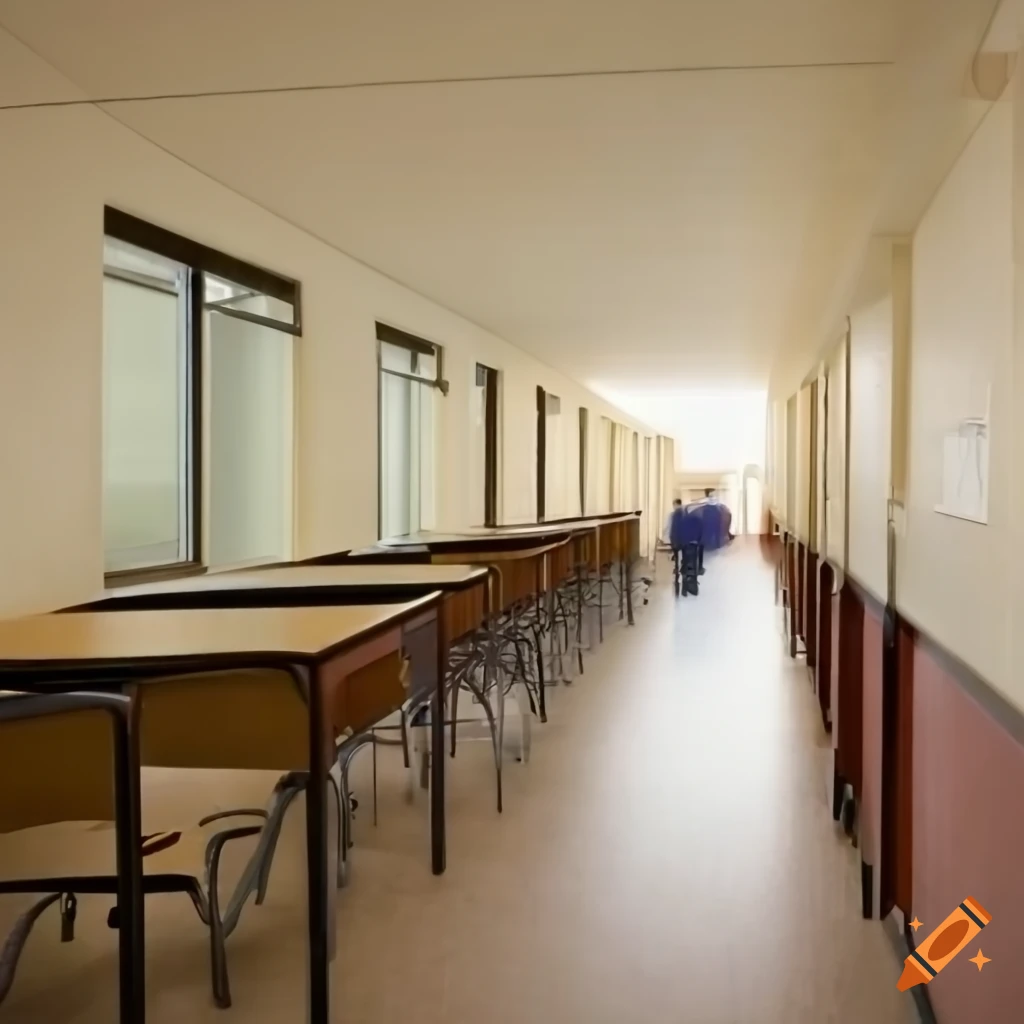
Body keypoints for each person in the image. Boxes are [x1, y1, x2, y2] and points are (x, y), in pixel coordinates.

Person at [668, 499, 703, 595]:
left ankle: (682, 583)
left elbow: (674, 531)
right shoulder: (696, 517)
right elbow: (700, 533)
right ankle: (691, 586)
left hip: (682, 543)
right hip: (692, 544)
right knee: (691, 564)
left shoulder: (677, 516)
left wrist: (674, 544)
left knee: (682, 563)